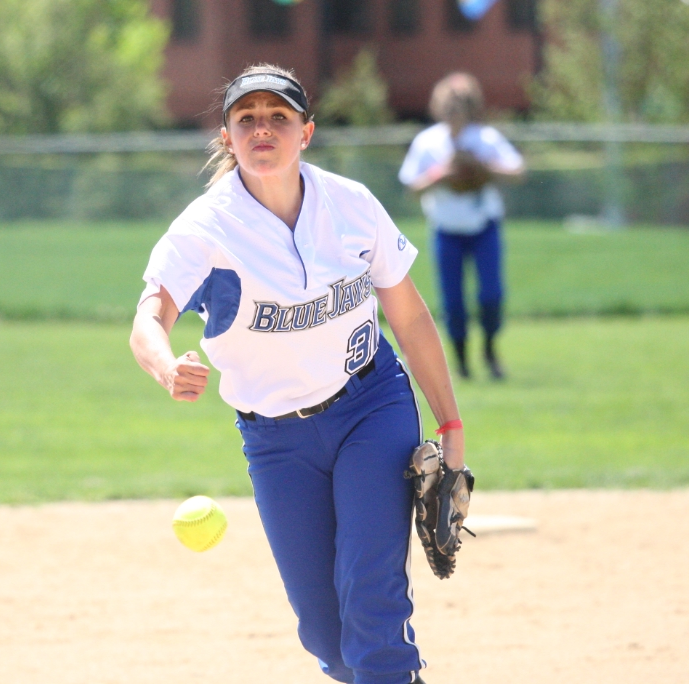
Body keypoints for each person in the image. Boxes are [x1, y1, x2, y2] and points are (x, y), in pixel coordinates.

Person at [130, 64, 465, 684]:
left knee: (372, 611)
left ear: (305, 132)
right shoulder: (204, 230)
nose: (263, 129)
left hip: (371, 406)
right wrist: (164, 363)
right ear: (227, 137)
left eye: (278, 117)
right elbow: (149, 318)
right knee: (328, 639)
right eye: (246, 119)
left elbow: (411, 320)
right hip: (277, 440)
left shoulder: (351, 205)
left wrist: (450, 422)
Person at [399, 73, 524, 380]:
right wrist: (441, 175)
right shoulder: (428, 142)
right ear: (438, 105)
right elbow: (411, 186)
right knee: (453, 301)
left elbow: (517, 171)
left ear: (472, 105)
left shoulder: (485, 139)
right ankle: (462, 361)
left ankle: (490, 349)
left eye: (462, 102)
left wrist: (483, 168)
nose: (455, 109)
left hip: (483, 226)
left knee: (491, 295)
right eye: (449, 102)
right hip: (446, 229)